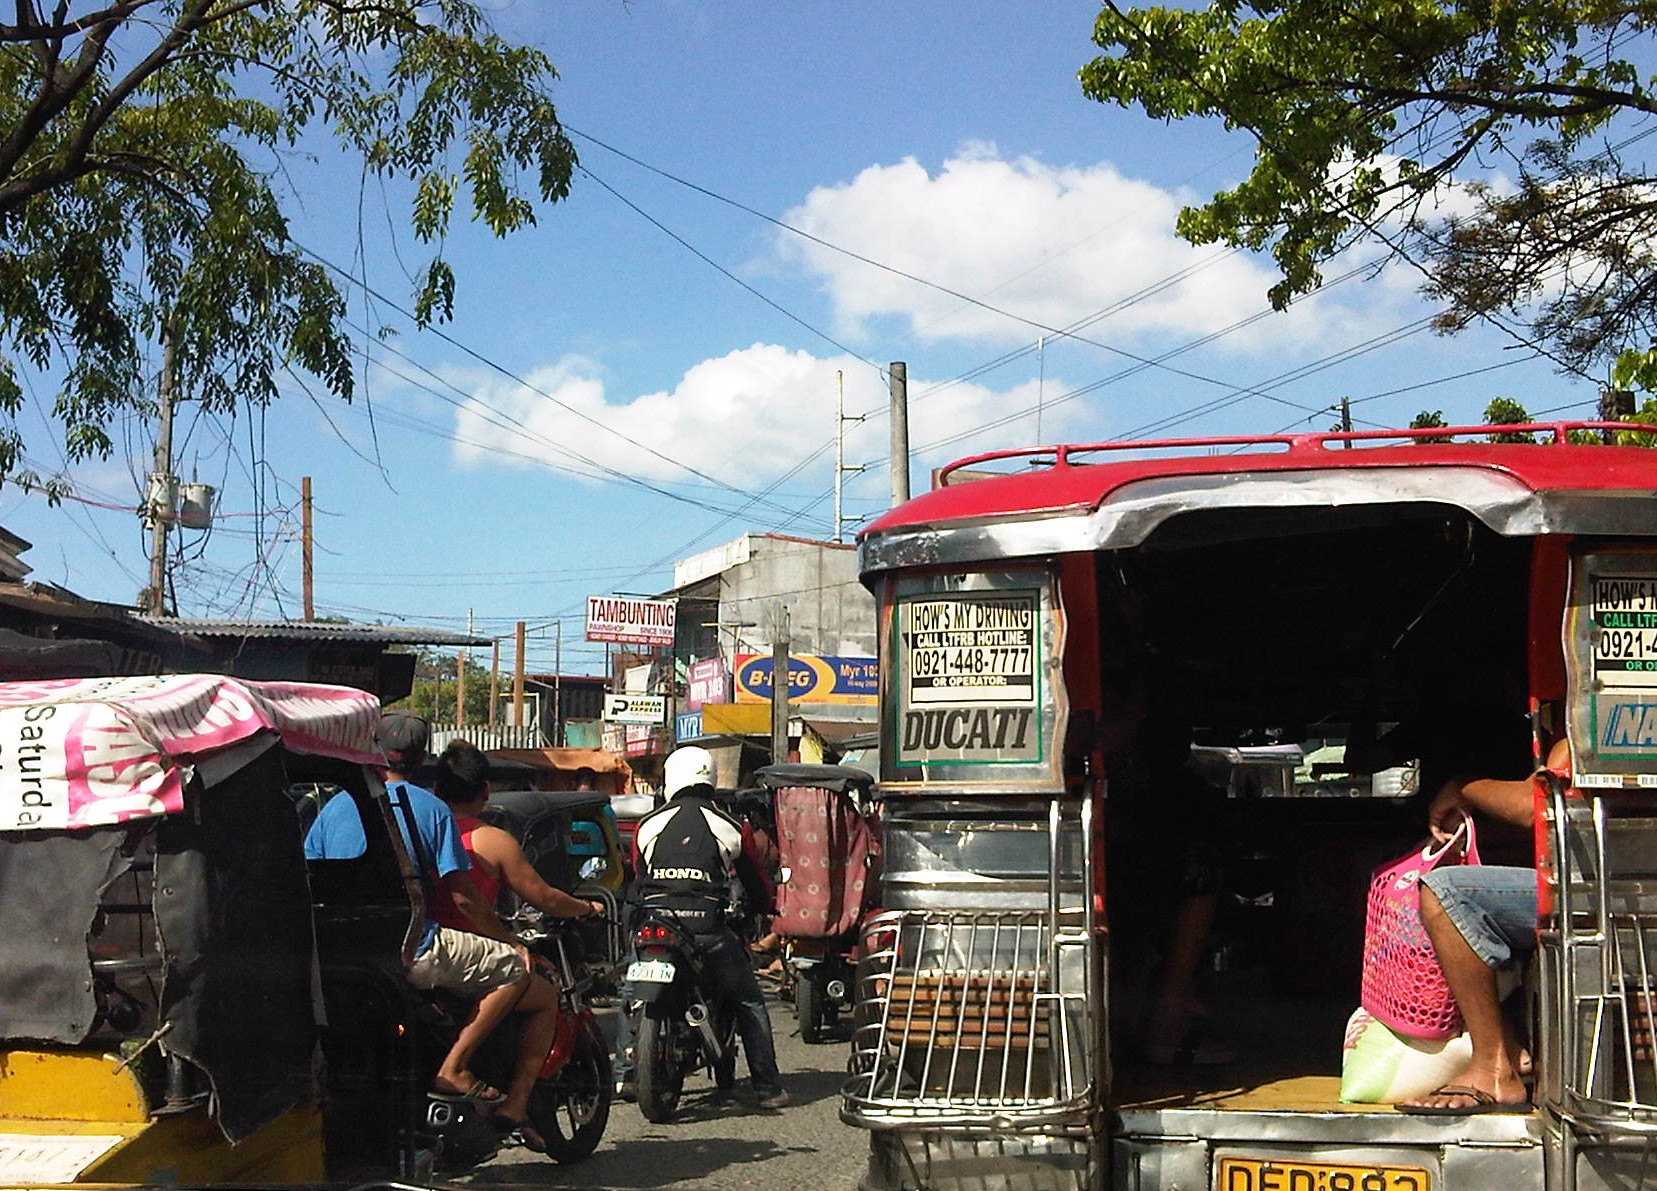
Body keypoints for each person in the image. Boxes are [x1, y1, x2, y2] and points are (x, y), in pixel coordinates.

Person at [304, 712, 529, 1107]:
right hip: (409, 950)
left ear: (377, 752)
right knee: (513, 967)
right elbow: (462, 898)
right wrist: (511, 941)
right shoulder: (432, 809)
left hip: (340, 952)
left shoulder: (334, 807)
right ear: (423, 757)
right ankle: (454, 1068)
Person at [429, 740, 604, 1149]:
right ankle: (517, 1105)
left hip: (424, 948)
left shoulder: (425, 828)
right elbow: (542, 897)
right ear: (485, 790)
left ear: (438, 789)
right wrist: (585, 907)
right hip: (471, 952)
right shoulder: (492, 840)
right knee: (543, 995)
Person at [1397, 733, 1572, 1115]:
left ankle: (1492, 1068)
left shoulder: (1600, 723)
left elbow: (1533, 804)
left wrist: (1464, 789)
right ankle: (1512, 1044)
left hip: (1605, 894)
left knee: (1450, 892)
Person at [614, 745, 788, 1109]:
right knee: (749, 1001)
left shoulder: (649, 825)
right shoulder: (729, 824)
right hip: (707, 929)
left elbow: (638, 876)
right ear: (710, 779)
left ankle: (626, 1073)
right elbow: (754, 880)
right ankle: (767, 1087)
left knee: (631, 993)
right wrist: (765, 906)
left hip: (654, 926)